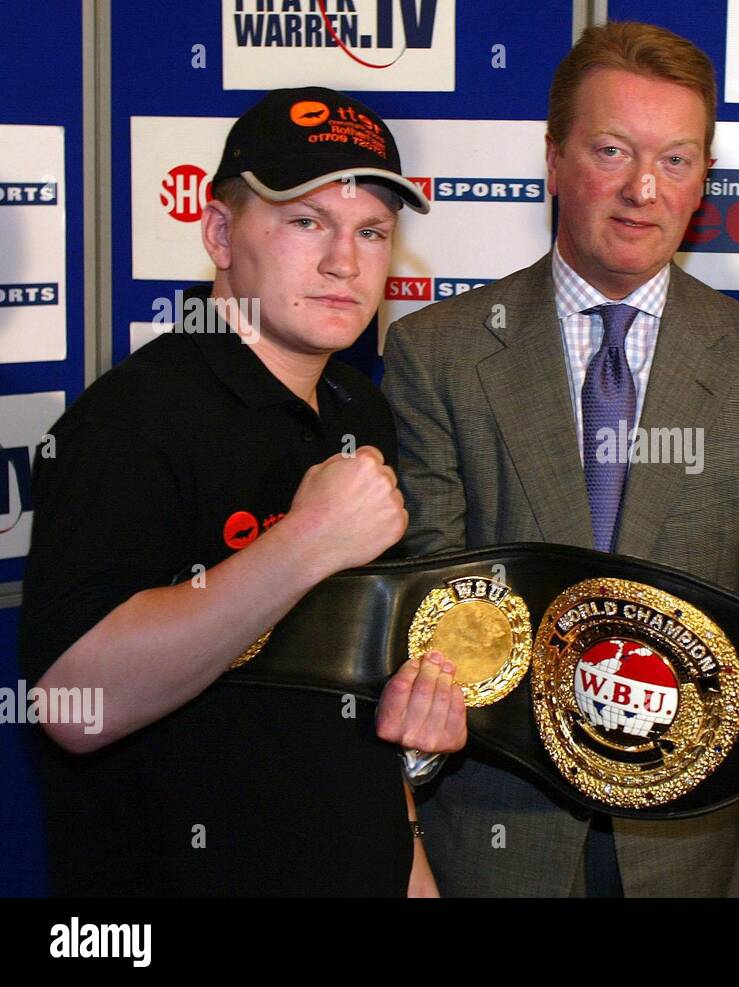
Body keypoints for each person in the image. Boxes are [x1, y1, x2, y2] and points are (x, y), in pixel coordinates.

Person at [383, 21, 739, 897]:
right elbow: (430, 599)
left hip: (691, 845)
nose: (641, 189)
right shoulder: (435, 351)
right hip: (496, 834)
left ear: (702, 179)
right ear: (553, 160)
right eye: (612, 150)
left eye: (675, 159)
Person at [19, 87, 467, 897]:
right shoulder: (132, 422)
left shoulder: (358, 407)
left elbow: (350, 685)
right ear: (220, 234)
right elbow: (74, 705)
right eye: (306, 223)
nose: (345, 261)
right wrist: (300, 544)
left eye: (371, 231)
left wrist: (412, 854)